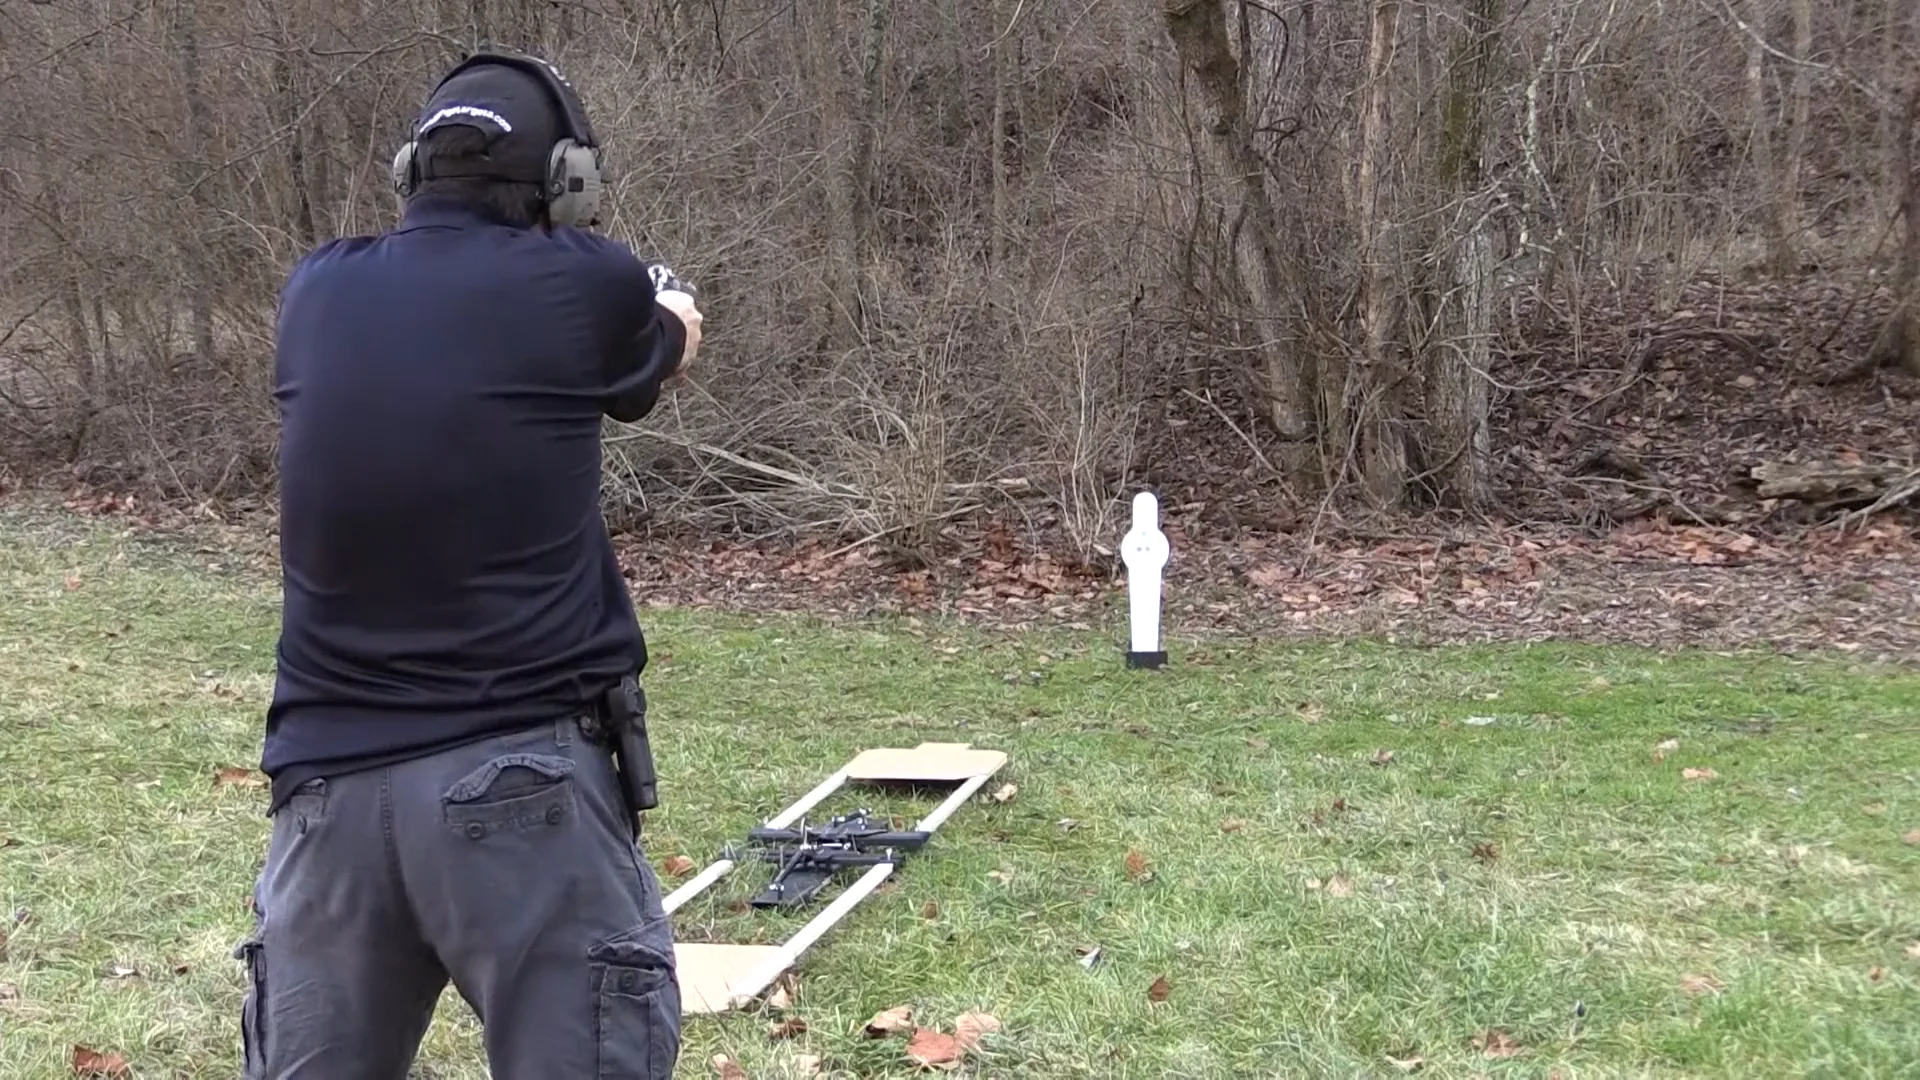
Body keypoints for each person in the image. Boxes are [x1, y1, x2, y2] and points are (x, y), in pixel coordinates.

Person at [235, 48, 700, 1079]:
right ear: (566, 183)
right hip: (520, 775)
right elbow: (653, 355)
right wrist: (669, 309)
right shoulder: (589, 282)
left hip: (324, 798)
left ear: (412, 170)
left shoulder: (315, 291)